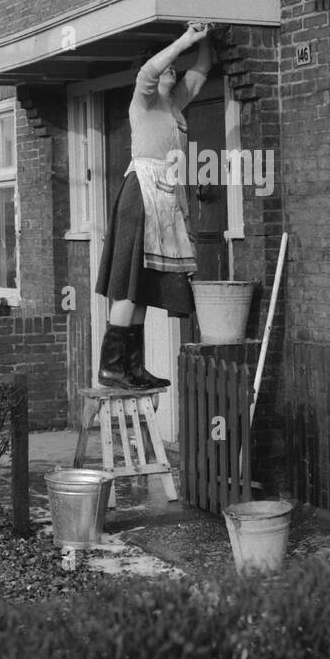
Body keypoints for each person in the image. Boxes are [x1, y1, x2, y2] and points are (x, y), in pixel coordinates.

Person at [94, 21, 215, 389]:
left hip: (164, 199)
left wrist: (206, 39)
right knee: (130, 286)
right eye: (166, 66)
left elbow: (200, 71)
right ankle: (111, 367)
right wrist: (185, 40)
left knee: (143, 288)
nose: (171, 70)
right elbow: (150, 70)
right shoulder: (144, 101)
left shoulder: (174, 104)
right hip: (142, 196)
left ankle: (132, 367)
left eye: (173, 68)